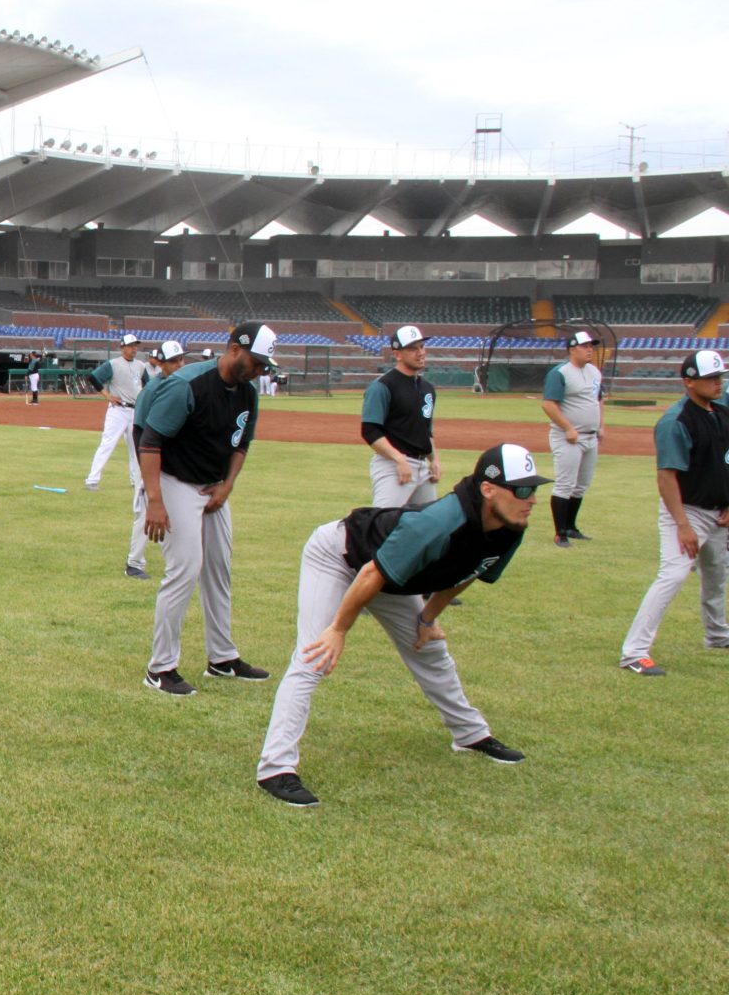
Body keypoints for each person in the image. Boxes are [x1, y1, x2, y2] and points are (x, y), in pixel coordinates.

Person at [255, 444, 541, 806]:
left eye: (534, 489)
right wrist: (339, 629)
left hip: (390, 575)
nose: (531, 499)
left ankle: (470, 734)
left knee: (432, 652)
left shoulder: (510, 527)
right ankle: (275, 769)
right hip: (339, 557)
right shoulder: (440, 522)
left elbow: (469, 571)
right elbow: (372, 571)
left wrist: (427, 618)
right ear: (488, 490)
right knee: (315, 655)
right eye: (523, 490)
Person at [138, 321, 277, 694]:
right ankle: (160, 668)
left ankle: (222, 658)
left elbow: (241, 444)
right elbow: (149, 442)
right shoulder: (189, 385)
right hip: (173, 479)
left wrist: (227, 485)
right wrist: (154, 500)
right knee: (184, 569)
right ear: (234, 349)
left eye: (265, 366)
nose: (261, 371)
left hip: (212, 485)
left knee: (218, 569)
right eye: (258, 362)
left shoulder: (248, 394)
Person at [618, 350, 729, 676]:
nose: (717, 382)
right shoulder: (676, 422)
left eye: (719, 376)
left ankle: (718, 635)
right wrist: (682, 525)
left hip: (719, 513)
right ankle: (634, 652)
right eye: (710, 378)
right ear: (688, 381)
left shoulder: (721, 413)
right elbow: (666, 477)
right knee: (674, 575)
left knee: (717, 576)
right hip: (687, 511)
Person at [124, 340, 186, 580]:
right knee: (146, 512)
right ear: (161, 364)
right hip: (150, 459)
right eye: (173, 361)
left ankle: (180, 560)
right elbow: (138, 430)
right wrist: (143, 472)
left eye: (181, 359)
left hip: (175, 461)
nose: (179, 365)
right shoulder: (152, 390)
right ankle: (134, 563)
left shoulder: (183, 386)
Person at [361, 325, 441, 507]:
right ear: (397, 354)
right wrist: (398, 459)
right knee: (382, 523)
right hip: (393, 465)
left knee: (428, 527)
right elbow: (370, 431)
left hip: (422, 468)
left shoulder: (427, 388)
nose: (420, 352)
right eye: (413, 348)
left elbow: (425, 431)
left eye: (421, 347)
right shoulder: (382, 386)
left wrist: (434, 459)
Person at [541, 329, 605, 547]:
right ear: (572, 349)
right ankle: (560, 533)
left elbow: (598, 400)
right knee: (565, 484)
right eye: (585, 346)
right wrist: (568, 427)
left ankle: (571, 526)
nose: (590, 350)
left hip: (590, 436)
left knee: (581, 484)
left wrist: (601, 426)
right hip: (568, 437)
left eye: (591, 346)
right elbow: (548, 404)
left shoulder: (595, 372)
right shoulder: (560, 373)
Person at [83, 333, 149, 492]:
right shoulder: (113, 364)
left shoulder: (140, 365)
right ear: (122, 347)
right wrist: (107, 395)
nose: (134, 348)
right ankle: (92, 479)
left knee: (136, 448)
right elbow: (93, 377)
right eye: (131, 345)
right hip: (118, 411)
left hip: (135, 411)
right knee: (107, 444)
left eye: (135, 345)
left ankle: (136, 480)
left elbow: (148, 384)